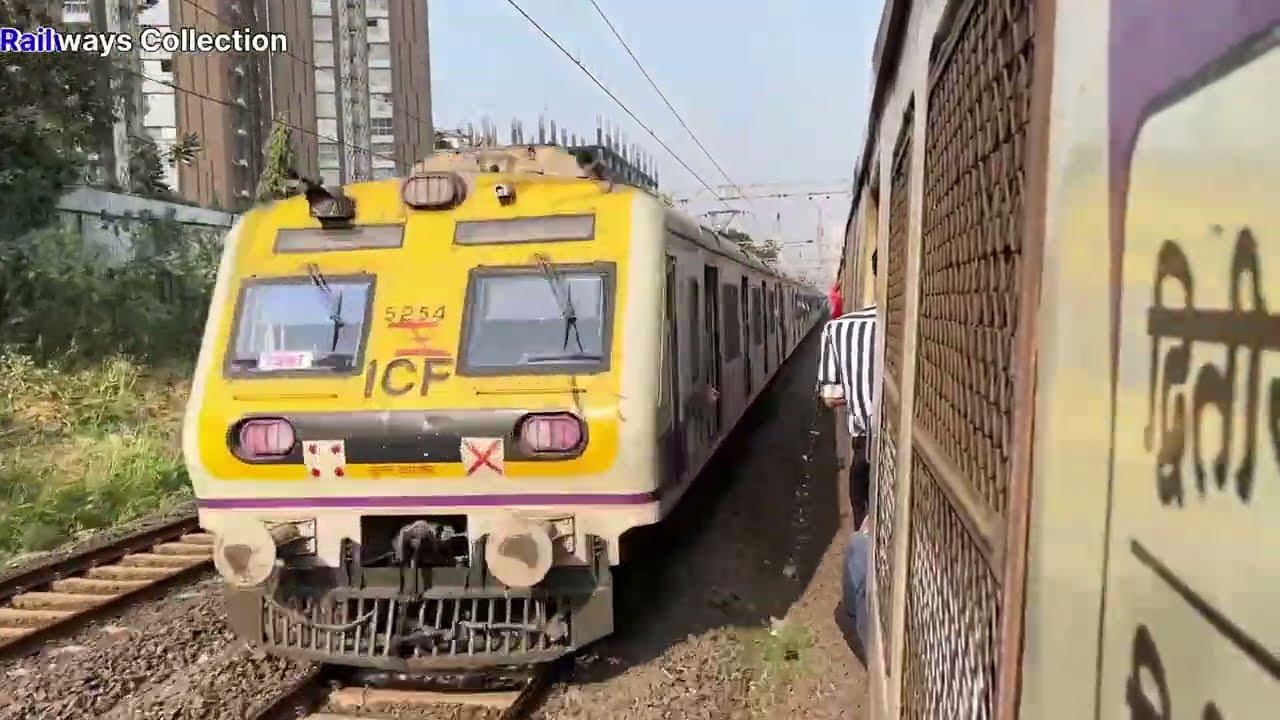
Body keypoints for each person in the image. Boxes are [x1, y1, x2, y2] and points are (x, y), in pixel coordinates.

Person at [816, 250, 877, 662]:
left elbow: (830, 395)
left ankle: (873, 639)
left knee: (867, 540)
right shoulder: (940, 323)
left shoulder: (841, 330)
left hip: (869, 451)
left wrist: (859, 399)